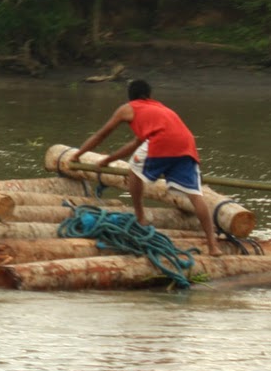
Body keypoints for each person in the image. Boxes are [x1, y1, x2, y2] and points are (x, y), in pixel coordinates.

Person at [72, 79, 221, 256]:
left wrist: (77, 155)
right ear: (149, 95)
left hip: (162, 142)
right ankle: (213, 246)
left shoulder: (128, 108)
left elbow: (101, 135)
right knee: (196, 196)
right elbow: (137, 143)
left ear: (130, 97)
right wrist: (108, 160)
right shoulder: (159, 109)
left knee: (133, 171)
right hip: (187, 145)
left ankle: (140, 217)